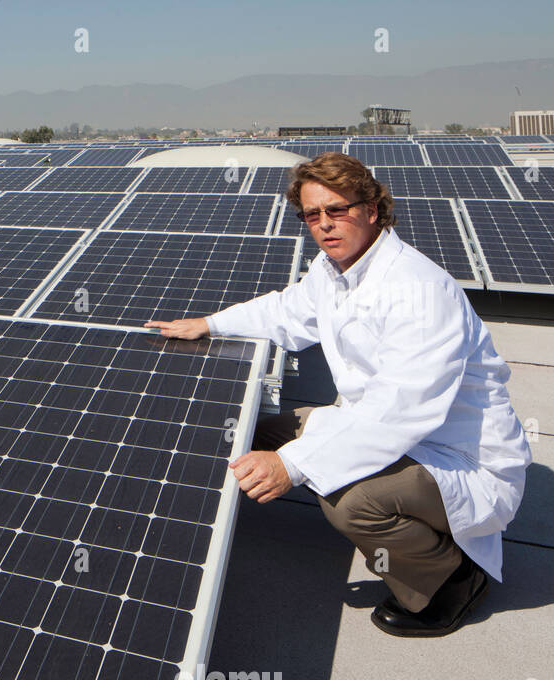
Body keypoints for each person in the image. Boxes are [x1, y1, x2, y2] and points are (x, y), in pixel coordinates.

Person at [145, 152, 531, 637]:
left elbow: (400, 412)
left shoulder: (417, 289)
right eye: (312, 214)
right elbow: (287, 311)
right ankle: (413, 536)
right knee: (257, 435)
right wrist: (211, 323)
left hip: (458, 456)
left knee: (350, 499)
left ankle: (450, 579)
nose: (325, 224)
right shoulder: (335, 270)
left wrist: (294, 465)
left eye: (338, 209)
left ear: (371, 209)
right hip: (385, 430)